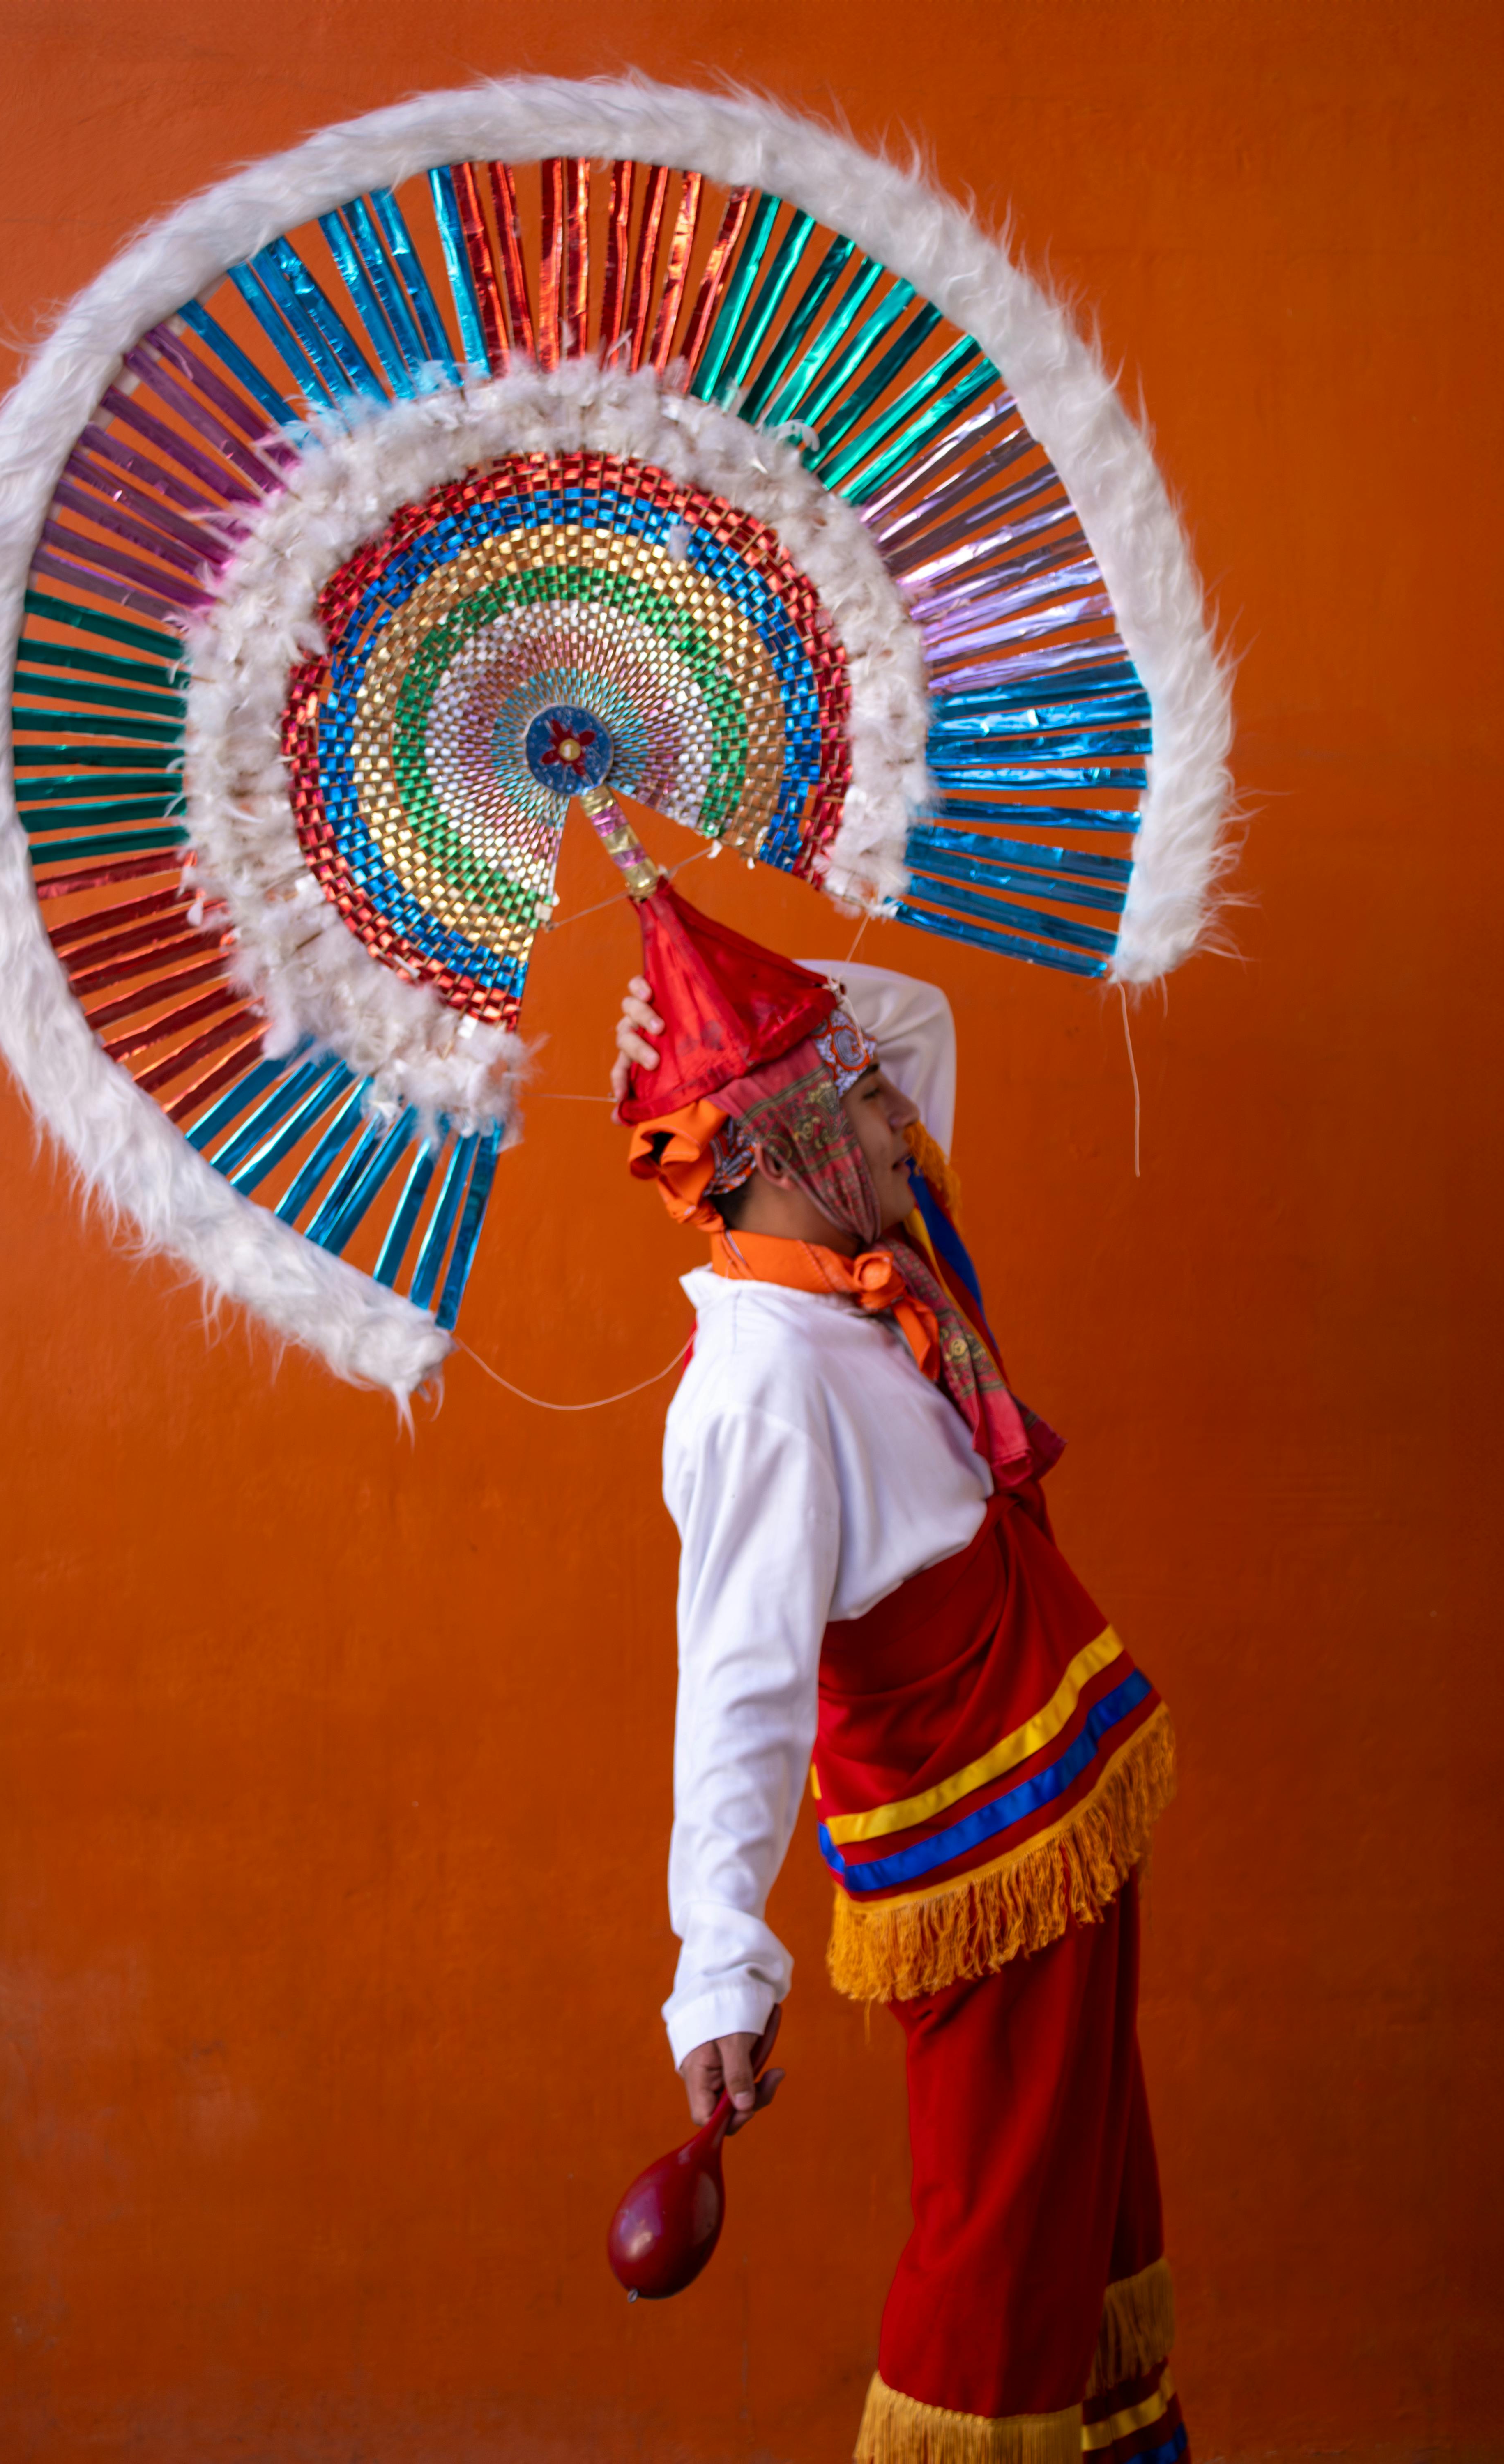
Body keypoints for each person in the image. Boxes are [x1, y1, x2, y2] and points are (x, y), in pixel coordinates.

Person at [609, 876, 1188, 2464]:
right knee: (996, 2248)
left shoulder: (860, 1252)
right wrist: (717, 1961)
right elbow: (735, 1694)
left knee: (1084, 2207)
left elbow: (916, 1019)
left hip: (1057, 1834)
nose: (898, 1131)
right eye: (858, 1110)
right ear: (772, 1151)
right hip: (980, 1871)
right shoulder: (755, 1387)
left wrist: (689, 951)